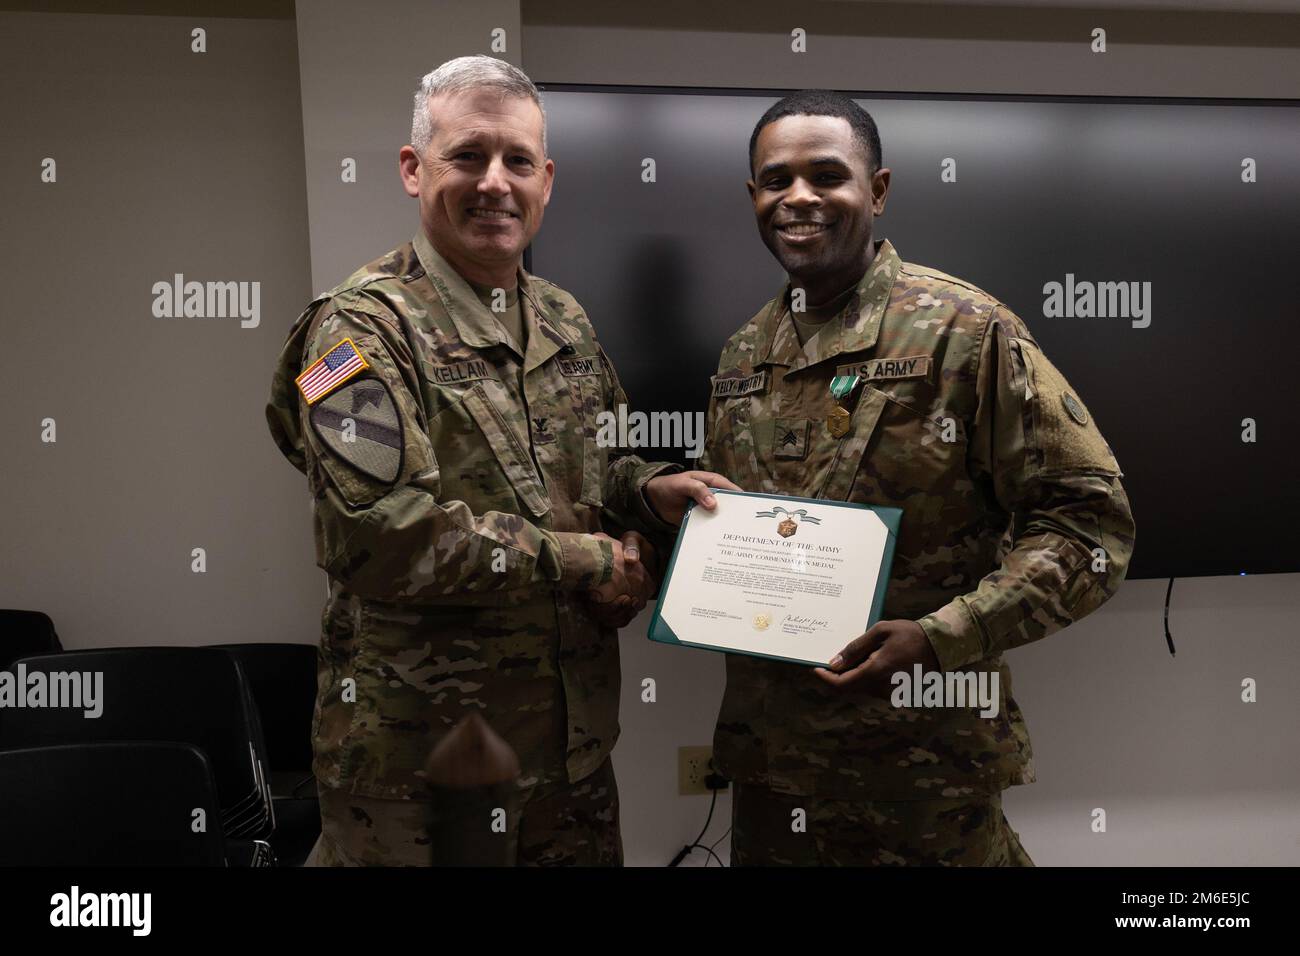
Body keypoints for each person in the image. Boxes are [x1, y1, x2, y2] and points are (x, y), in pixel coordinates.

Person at [266, 55, 734, 866]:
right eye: (468, 156)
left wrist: (653, 492)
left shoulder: (561, 317)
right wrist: (588, 559)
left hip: (571, 755)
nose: (495, 182)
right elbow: (380, 536)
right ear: (415, 170)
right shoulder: (352, 334)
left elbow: (601, 470)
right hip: (423, 770)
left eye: (517, 160)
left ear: (546, 180)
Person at [698, 90, 1136, 865]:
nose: (798, 198)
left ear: (878, 190)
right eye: (775, 180)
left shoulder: (966, 334)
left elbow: (1089, 526)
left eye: (827, 175)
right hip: (772, 774)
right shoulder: (742, 356)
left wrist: (944, 639)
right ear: (753, 197)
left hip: (923, 779)